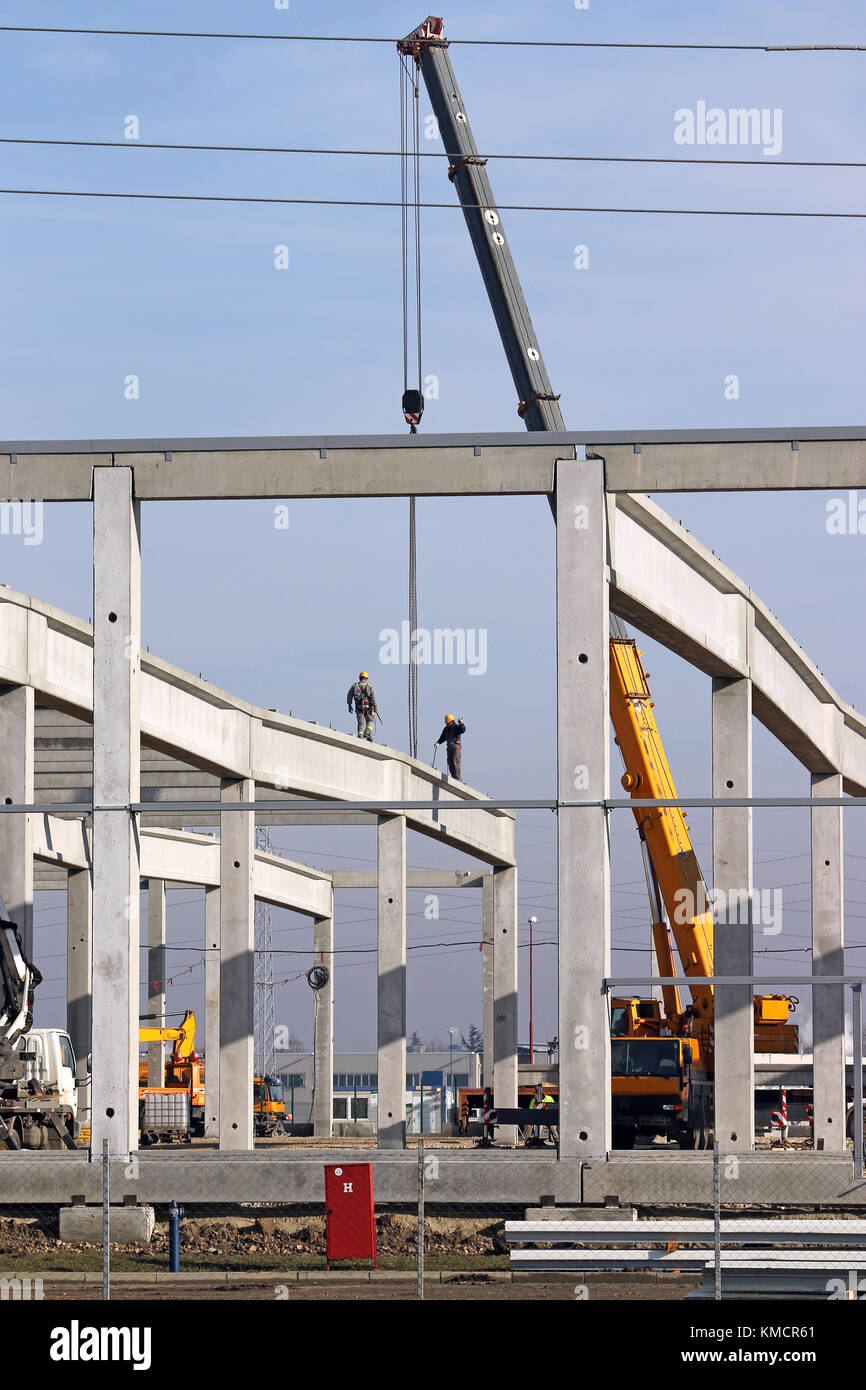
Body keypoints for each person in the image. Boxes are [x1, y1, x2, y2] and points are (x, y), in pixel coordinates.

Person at [347, 671, 378, 741]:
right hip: (369, 709)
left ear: (360, 678)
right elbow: (374, 698)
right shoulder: (370, 686)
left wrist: (349, 705)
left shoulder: (354, 686)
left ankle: (360, 736)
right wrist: (376, 708)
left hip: (359, 708)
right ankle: (367, 733)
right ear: (366, 678)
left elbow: (349, 696)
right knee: (370, 721)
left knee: (361, 722)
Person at [434, 713, 466, 779]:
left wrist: (461, 724)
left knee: (455, 762)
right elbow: (443, 737)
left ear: (451, 721)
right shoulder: (446, 729)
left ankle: (457, 779)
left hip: (456, 748)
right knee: (450, 763)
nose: (447, 724)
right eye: (446, 723)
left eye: (448, 723)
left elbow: (462, 730)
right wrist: (438, 743)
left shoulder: (456, 727)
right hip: (449, 748)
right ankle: (454, 778)